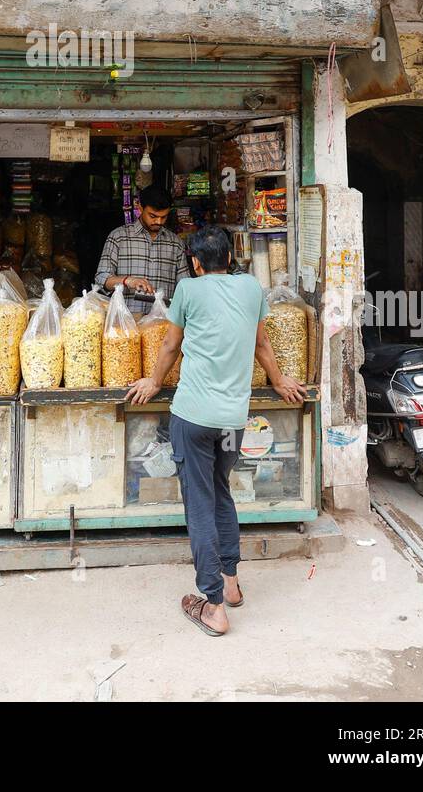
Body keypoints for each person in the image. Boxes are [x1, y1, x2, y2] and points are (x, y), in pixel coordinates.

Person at [125, 224, 306, 637]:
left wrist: (154, 381)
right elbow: (261, 345)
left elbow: (171, 345)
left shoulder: (188, 291)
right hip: (231, 421)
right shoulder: (251, 288)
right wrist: (279, 381)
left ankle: (214, 605)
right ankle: (231, 583)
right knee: (221, 492)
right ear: (229, 257)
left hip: (193, 418)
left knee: (200, 504)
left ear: (194, 262)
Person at [95, 184, 190, 317]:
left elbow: (185, 287)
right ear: (140, 207)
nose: (159, 221)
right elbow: (101, 279)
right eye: (153, 216)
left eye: (164, 217)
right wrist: (128, 281)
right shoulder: (118, 237)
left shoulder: (176, 244)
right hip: (125, 323)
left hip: (161, 324)